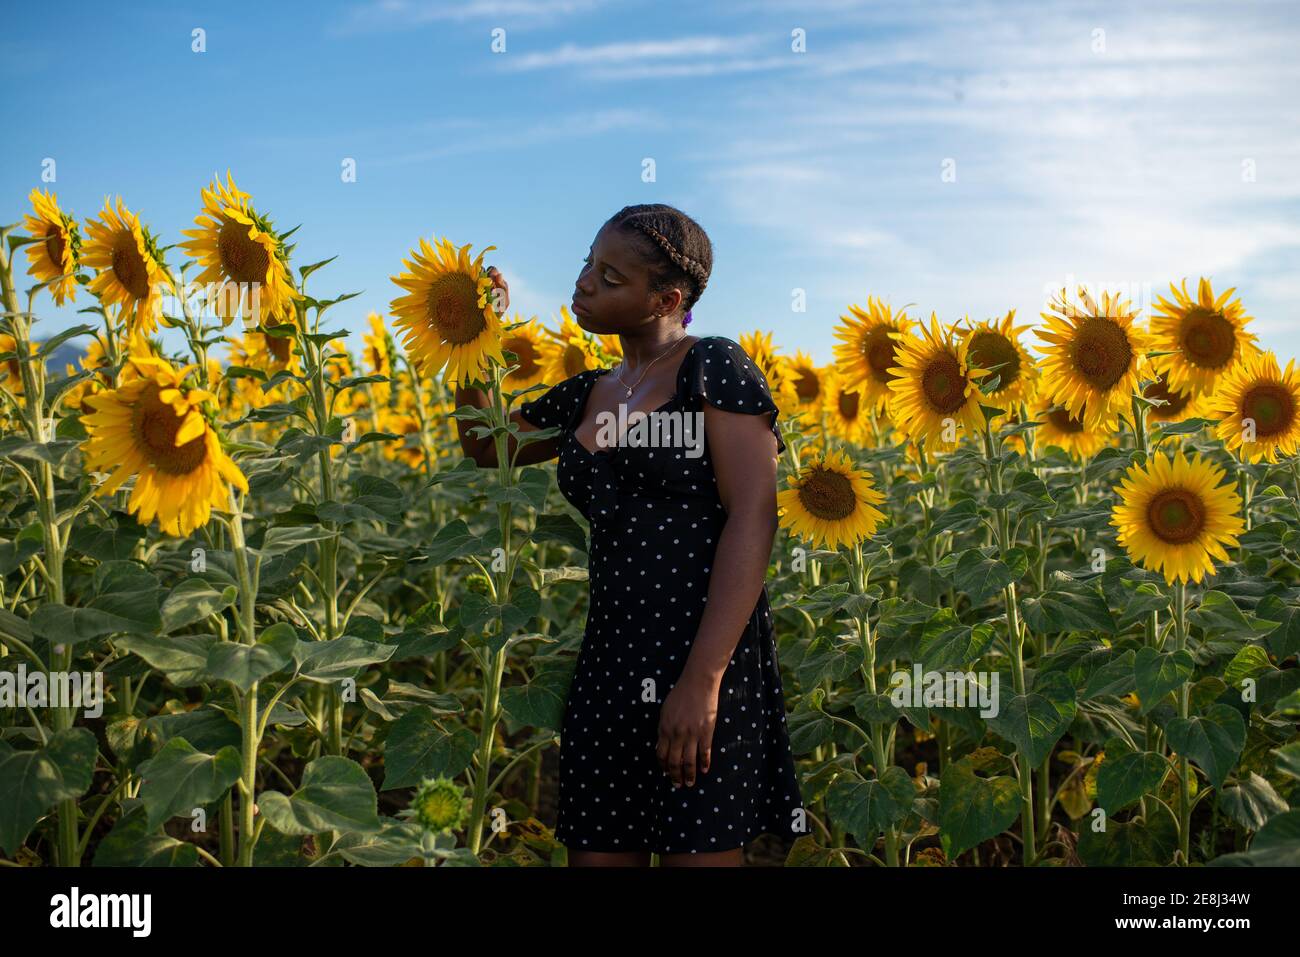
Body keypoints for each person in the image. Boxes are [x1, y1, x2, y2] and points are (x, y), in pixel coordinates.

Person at [456, 203, 804, 867]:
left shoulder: (714, 368)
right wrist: (475, 335)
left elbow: (753, 516)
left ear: (666, 298)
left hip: (706, 658)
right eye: (588, 264)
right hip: (611, 660)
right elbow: (484, 443)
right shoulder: (591, 391)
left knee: (695, 852)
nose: (585, 282)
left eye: (611, 277)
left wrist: (702, 681)